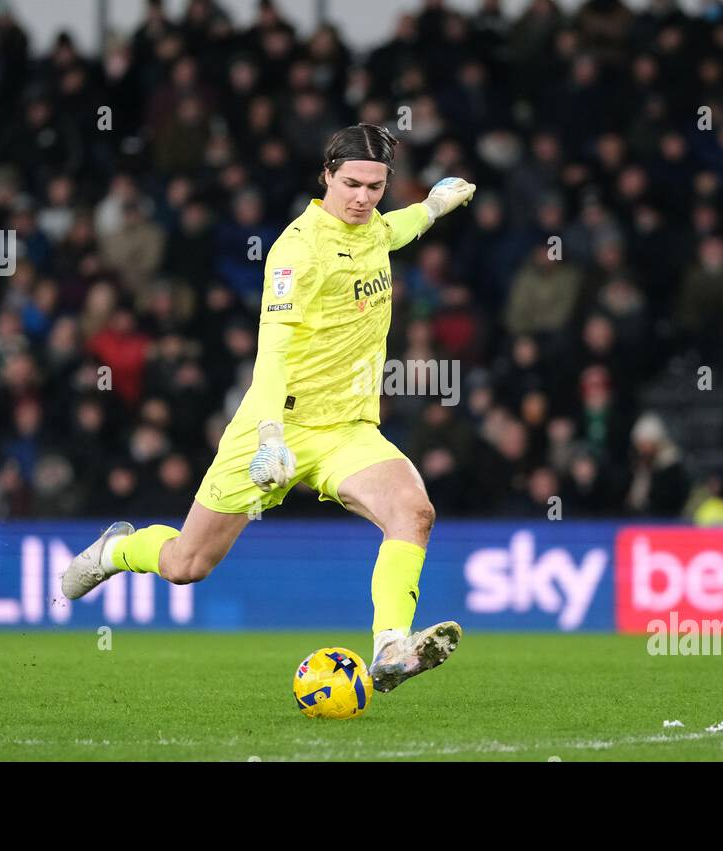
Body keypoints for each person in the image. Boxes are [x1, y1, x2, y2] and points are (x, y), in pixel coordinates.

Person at [63, 124, 475, 693]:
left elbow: (393, 231)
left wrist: (431, 207)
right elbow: (273, 350)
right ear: (327, 174)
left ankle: (389, 646)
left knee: (414, 512)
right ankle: (116, 549)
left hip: (347, 430)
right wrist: (269, 434)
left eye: (375, 187)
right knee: (188, 564)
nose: (362, 198)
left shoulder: (373, 227)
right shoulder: (297, 250)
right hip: (276, 424)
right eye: (351, 183)